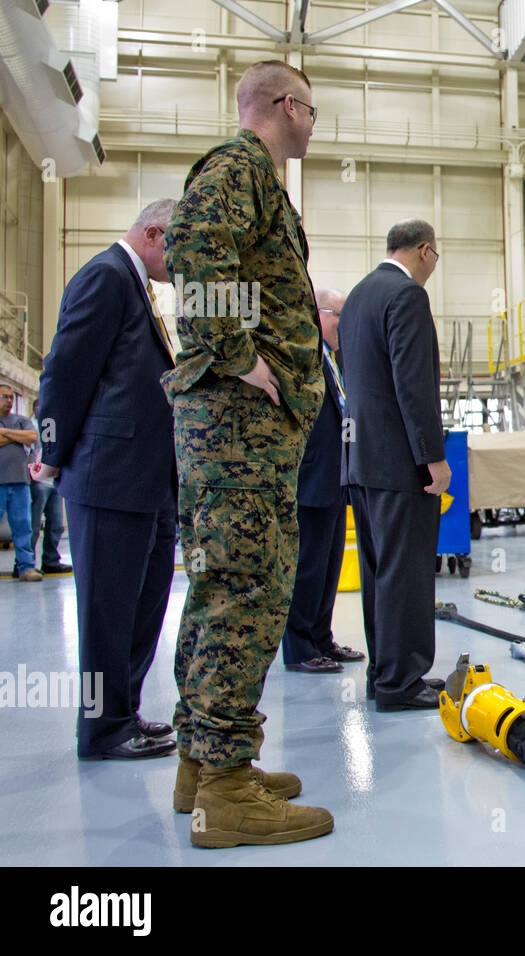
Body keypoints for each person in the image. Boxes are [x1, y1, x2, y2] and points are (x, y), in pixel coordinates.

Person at [163, 60, 332, 847]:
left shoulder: (255, 178)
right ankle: (228, 793)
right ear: (287, 104)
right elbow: (196, 255)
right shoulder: (239, 168)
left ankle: (205, 764)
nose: (313, 124)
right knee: (248, 588)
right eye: (312, 109)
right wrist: (238, 356)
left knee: (222, 584)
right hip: (239, 425)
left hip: (240, 429)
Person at [32, 199, 180, 761]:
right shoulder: (104, 275)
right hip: (108, 478)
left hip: (144, 480)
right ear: (151, 232)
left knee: (142, 605)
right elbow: (65, 370)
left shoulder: (134, 285)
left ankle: (123, 714)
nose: (183, 259)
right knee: (106, 612)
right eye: (177, 244)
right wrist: (51, 448)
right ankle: (101, 730)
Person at [340, 220, 449, 711]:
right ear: (425, 251)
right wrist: (434, 458)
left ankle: (384, 674)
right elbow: (414, 386)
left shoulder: (359, 297)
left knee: (379, 572)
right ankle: (401, 683)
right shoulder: (406, 297)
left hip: (362, 462)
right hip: (400, 464)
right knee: (404, 575)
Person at [281, 287, 364, 673]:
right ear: (318, 314)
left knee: (329, 565)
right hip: (311, 477)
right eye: (338, 316)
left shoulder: (331, 359)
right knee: (307, 566)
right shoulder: (301, 356)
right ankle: (299, 648)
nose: (343, 325)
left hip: (335, 477)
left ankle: (321, 638)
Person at [0, 384, 41, 581]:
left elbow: (32, 437)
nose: (8, 400)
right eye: (4, 397)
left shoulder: (22, 420)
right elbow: (24, 438)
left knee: (23, 526)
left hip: (20, 483)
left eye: (10, 397)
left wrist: (4, 433)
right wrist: (17, 437)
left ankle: (26, 567)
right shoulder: (18, 425)